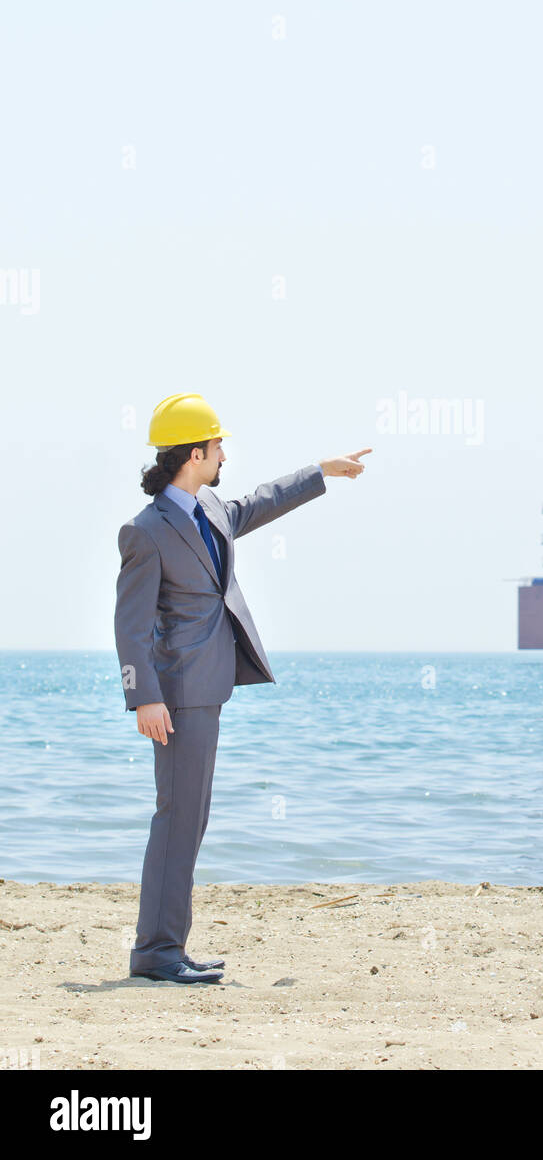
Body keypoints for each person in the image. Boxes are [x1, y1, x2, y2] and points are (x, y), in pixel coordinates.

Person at [114, 392, 370, 985]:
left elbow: (260, 501)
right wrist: (144, 696)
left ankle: (168, 946)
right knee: (177, 818)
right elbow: (130, 624)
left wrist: (322, 471)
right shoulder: (145, 531)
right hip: (175, 697)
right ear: (195, 454)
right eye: (218, 446)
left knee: (190, 820)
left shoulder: (209, 507)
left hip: (208, 688)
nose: (224, 455)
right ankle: (156, 953)